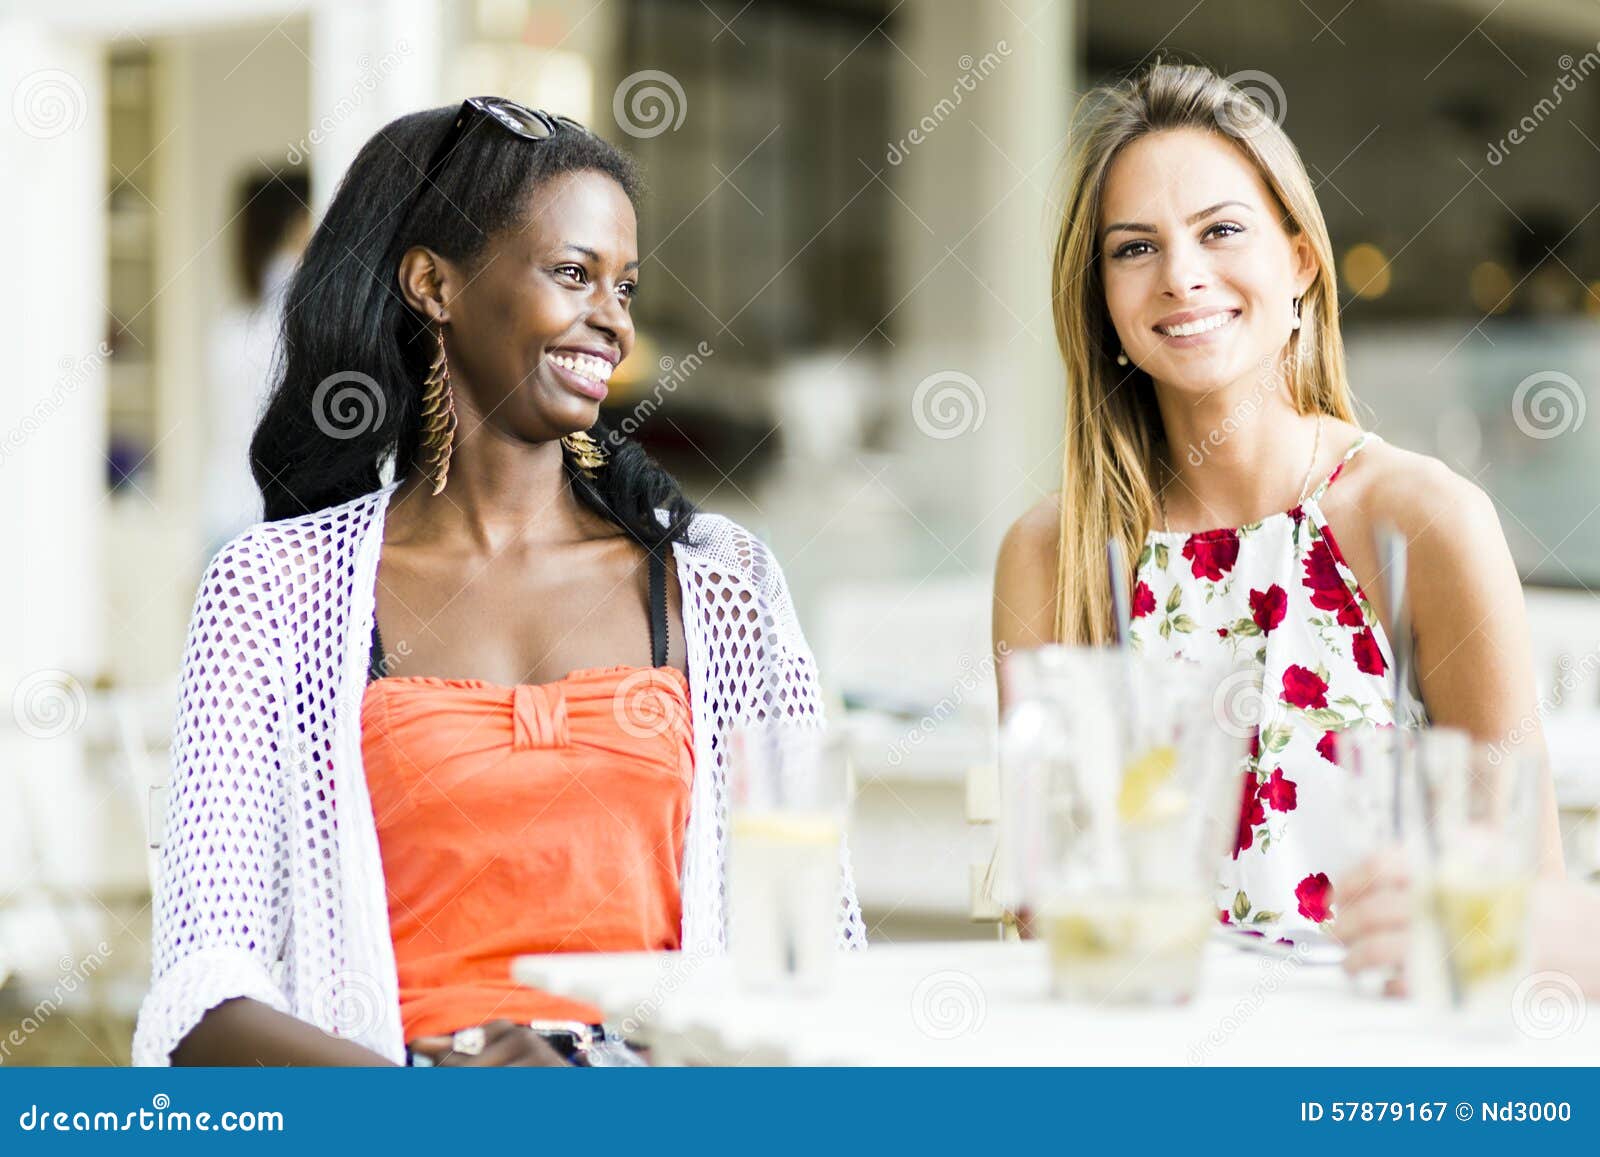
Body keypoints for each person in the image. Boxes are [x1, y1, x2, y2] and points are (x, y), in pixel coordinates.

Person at [133, 98, 866, 1068]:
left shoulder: (719, 588)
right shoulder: (275, 589)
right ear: (433, 283)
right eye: (573, 274)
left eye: (625, 285)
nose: (611, 320)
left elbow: (818, 947)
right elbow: (201, 990)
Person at [992, 61, 1563, 945]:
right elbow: (1045, 909)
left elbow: (1530, 901)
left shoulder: (1421, 520)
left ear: (1299, 261)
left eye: (1221, 230)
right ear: (1102, 302)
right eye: (1134, 247)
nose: (1181, 276)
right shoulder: (1055, 549)